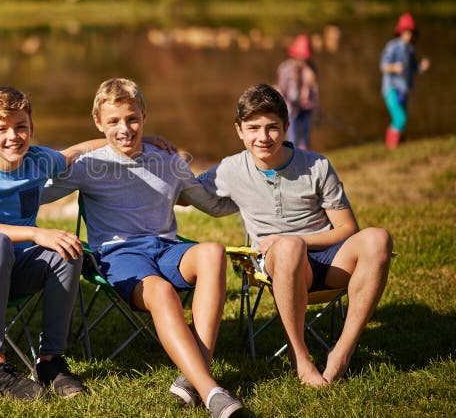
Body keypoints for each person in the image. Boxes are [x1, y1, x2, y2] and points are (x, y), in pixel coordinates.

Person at [40, 78, 245, 418]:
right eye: (113, 122)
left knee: (213, 252)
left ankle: (194, 373)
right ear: (98, 123)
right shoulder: (89, 166)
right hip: (119, 258)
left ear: (144, 115)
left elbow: (214, 206)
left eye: (132, 119)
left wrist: (257, 182)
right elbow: (34, 192)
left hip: (166, 249)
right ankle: (211, 391)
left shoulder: (168, 161)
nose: (125, 129)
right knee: (162, 292)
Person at [198, 83, 393, 387]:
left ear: (287, 127)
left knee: (378, 238)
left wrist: (302, 240)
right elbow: (181, 191)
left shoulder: (316, 165)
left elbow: (346, 229)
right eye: (253, 128)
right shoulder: (229, 169)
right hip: (279, 263)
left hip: (327, 259)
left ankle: (342, 350)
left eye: (272, 127)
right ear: (239, 130)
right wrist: (167, 155)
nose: (263, 137)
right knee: (288, 247)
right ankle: (301, 359)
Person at [0, 86, 93, 401]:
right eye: (2, 129)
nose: (13, 136)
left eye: (20, 127)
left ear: (31, 129)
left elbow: (74, 152)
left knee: (66, 248)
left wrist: (135, 139)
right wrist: (36, 233)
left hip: (16, 269)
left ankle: (50, 362)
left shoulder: (39, 160)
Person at [380, 12, 431, 149]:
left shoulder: (411, 49)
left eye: (411, 32)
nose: (409, 35)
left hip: (404, 89)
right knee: (399, 118)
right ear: (401, 32)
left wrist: (423, 67)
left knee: (403, 119)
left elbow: (415, 69)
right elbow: (383, 66)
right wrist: (394, 67)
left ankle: (398, 143)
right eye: (406, 31)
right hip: (391, 88)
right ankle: (392, 146)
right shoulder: (392, 46)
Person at [276, 34, 319, 149]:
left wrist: (315, 106)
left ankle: (304, 161)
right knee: (292, 139)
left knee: (305, 139)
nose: (302, 59)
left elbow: (314, 90)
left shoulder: (311, 69)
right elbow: (282, 89)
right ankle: (292, 162)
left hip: (306, 108)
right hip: (291, 108)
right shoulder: (285, 68)